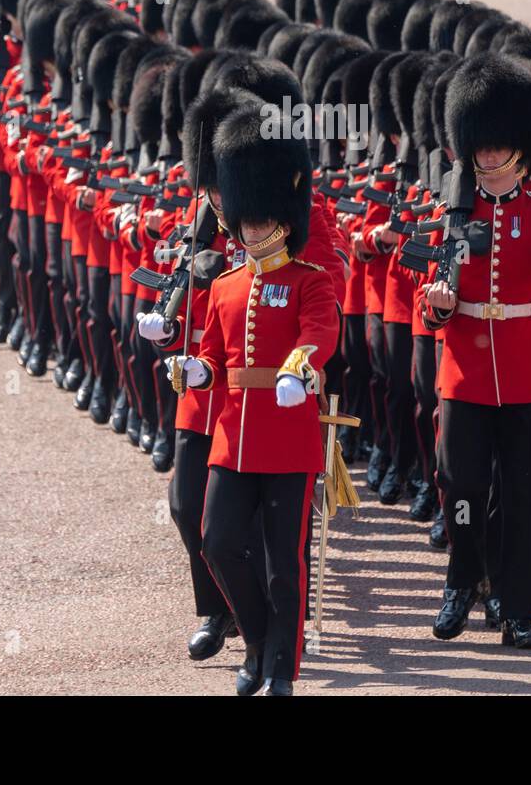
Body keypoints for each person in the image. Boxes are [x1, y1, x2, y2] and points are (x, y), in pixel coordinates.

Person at [171, 100, 341, 697]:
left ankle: (277, 668)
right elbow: (217, 357)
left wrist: (300, 366)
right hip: (232, 436)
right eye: (244, 218)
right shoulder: (225, 286)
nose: (248, 229)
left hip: (288, 439)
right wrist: (195, 369)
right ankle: (257, 636)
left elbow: (320, 332)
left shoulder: (309, 282)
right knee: (216, 541)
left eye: (260, 218)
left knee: (282, 566)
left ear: (283, 219)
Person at [419, 54, 531, 650]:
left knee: (522, 494)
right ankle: (462, 583)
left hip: (526, 371)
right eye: (480, 147)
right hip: (464, 371)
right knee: (461, 486)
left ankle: (518, 608)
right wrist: (437, 299)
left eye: (498, 147)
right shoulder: (450, 210)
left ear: (518, 145)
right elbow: (429, 289)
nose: (488, 158)